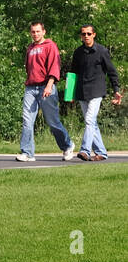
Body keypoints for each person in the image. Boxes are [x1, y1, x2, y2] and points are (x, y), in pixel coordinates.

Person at [17, 20, 75, 162]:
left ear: (44, 32)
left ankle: (67, 145)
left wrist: (49, 85)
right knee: (27, 120)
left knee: (52, 121)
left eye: (38, 31)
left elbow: (54, 67)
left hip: (46, 86)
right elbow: (28, 68)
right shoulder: (30, 48)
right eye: (33, 31)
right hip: (31, 87)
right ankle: (27, 152)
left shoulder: (50, 46)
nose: (35, 34)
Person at [68, 24, 121, 161]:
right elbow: (73, 73)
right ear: (81, 36)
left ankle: (85, 150)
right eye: (83, 34)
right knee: (91, 123)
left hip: (96, 91)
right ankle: (102, 152)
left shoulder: (102, 51)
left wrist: (116, 90)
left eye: (88, 34)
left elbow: (112, 72)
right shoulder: (78, 52)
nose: (86, 36)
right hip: (81, 92)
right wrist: (70, 93)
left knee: (89, 120)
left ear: (94, 35)